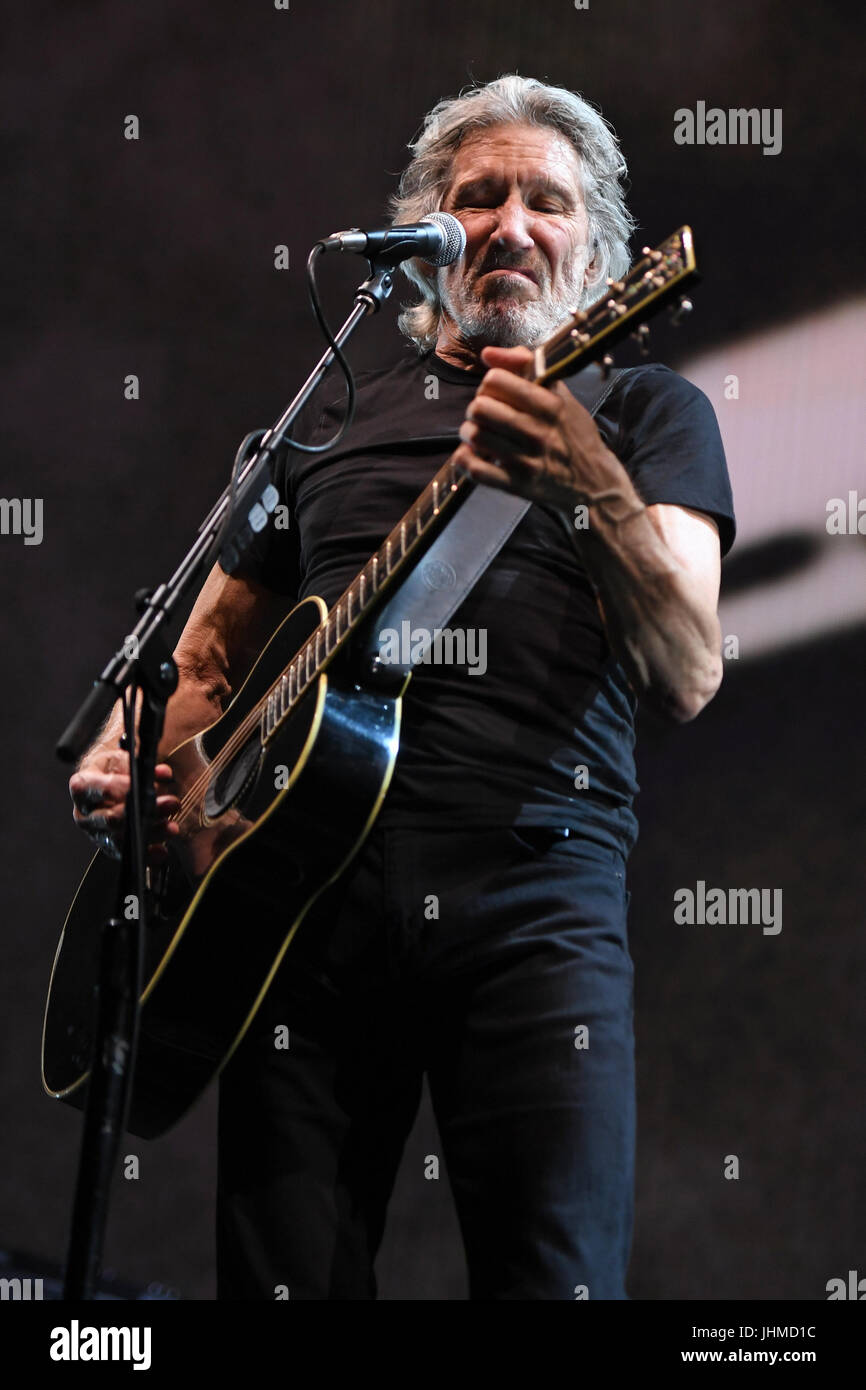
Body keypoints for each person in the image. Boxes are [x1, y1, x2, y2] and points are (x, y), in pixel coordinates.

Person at [69, 75, 735, 1300]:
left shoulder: (643, 408)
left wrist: (584, 477)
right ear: (424, 230)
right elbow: (202, 657)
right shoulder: (325, 424)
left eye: (547, 200)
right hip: (299, 924)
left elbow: (687, 667)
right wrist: (143, 756)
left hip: (531, 905)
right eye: (474, 198)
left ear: (600, 246)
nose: (509, 225)